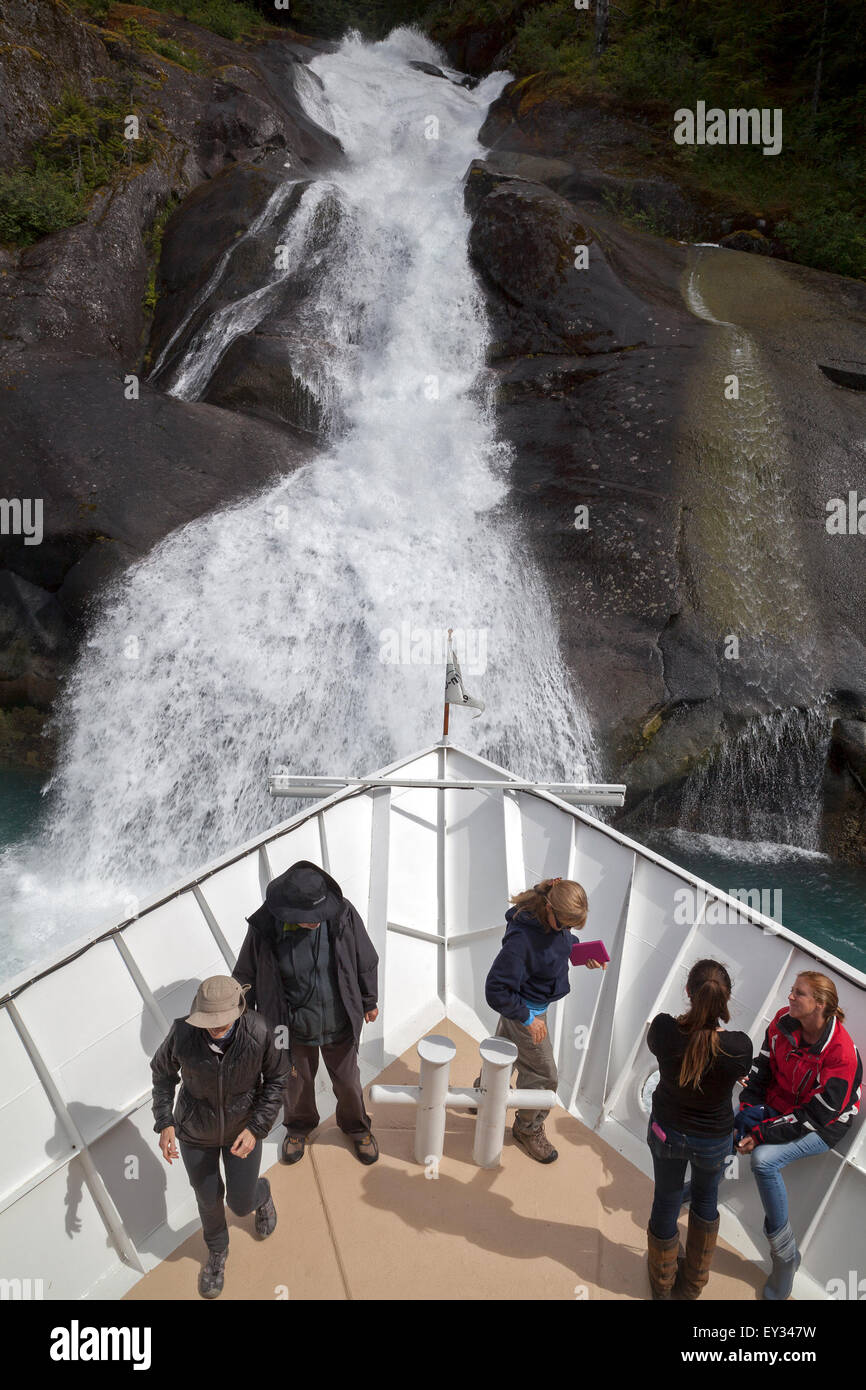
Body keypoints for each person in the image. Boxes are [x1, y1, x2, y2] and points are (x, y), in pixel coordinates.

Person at [233, 859, 380, 1166]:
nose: (316, 920)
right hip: (289, 1027)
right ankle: (298, 1127)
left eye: (319, 913)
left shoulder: (342, 913)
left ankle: (357, 1127)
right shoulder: (265, 927)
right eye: (308, 917)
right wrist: (241, 1020)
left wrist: (368, 1000)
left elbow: (364, 956)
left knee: (348, 1081)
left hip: (339, 1020)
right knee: (294, 1082)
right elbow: (245, 975)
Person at [151, 975, 287, 1299]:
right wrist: (165, 1122)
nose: (214, 1027)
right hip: (195, 1134)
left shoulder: (259, 1031)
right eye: (208, 1020)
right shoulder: (182, 1033)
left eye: (221, 1021)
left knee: (239, 1204)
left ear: (237, 1011)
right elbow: (162, 1075)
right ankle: (217, 1251)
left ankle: (261, 1194)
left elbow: (278, 1080)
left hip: (244, 1132)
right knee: (208, 1199)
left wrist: (256, 1129)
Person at [737, 971, 862, 1300]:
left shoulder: (842, 1055)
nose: (789, 997)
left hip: (824, 1124)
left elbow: (816, 1115)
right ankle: (699, 1196)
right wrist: (749, 1106)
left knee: (763, 1161)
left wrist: (762, 1133)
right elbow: (762, 1065)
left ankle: (784, 1256)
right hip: (783, 1105)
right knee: (732, 1117)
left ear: (819, 1005)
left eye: (799, 994)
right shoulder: (783, 1020)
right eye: (792, 990)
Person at [645, 959, 752, 1300]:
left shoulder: (663, 1029)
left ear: (688, 992)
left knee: (667, 1197)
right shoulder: (739, 1048)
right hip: (712, 1140)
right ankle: (692, 1286)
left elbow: (669, 1046)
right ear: (726, 1000)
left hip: (667, 1133)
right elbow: (730, 1066)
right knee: (706, 1199)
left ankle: (662, 1286)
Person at [483, 876, 602, 1163]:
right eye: (565, 924)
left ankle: (484, 1092)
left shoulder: (552, 925)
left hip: (533, 1006)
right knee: (545, 1075)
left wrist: (580, 954)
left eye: (572, 927)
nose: (568, 930)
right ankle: (527, 1128)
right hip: (526, 1010)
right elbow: (496, 989)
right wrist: (527, 1018)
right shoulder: (521, 941)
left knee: (504, 1052)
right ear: (549, 909)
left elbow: (559, 945)